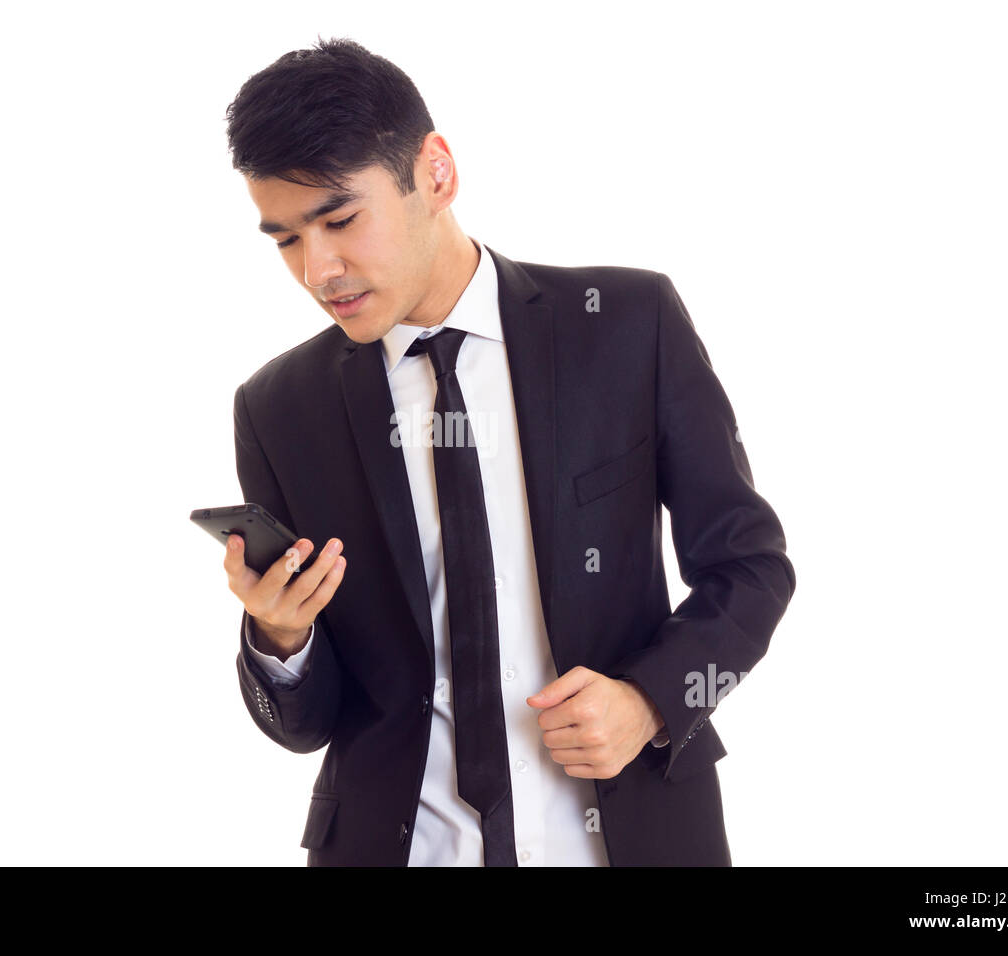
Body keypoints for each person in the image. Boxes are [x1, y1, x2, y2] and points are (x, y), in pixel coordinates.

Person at [219, 37, 796, 866]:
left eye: (341, 220)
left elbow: (750, 566)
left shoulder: (627, 325)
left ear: (437, 173)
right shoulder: (279, 408)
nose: (319, 269)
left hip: (627, 838)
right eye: (284, 239)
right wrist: (280, 640)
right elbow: (308, 725)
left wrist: (648, 701)